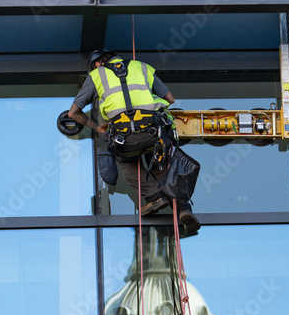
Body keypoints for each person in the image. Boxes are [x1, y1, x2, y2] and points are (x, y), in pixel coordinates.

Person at [68, 50, 201, 237]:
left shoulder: (97, 75)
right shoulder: (142, 67)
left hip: (123, 137)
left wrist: (98, 127)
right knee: (160, 163)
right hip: (153, 131)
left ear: (97, 64)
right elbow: (170, 100)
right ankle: (183, 207)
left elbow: (73, 113)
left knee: (127, 165)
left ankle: (155, 197)